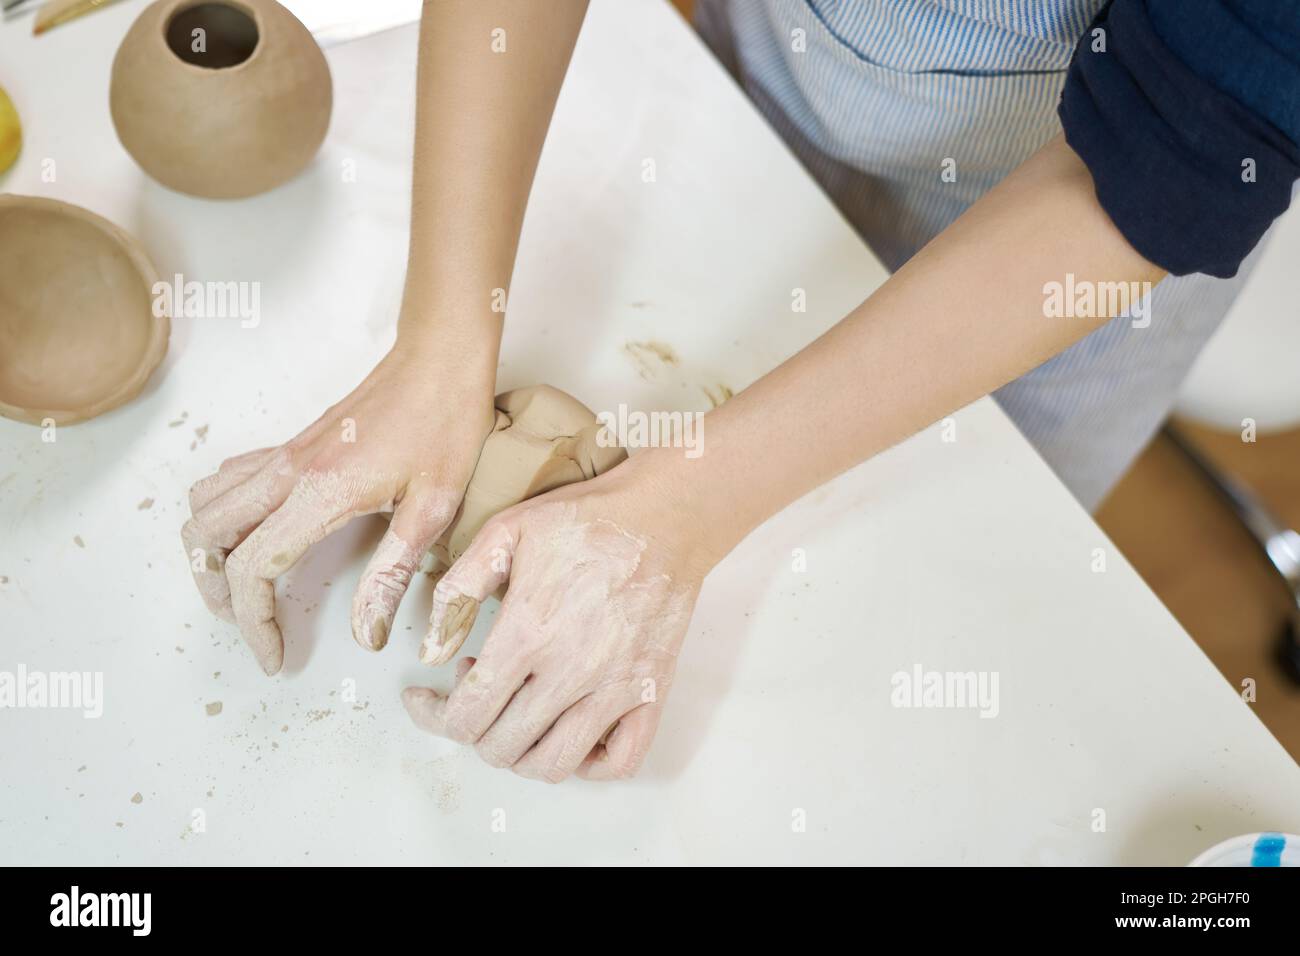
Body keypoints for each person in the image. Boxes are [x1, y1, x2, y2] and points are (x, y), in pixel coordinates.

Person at [182, 0, 1300, 783]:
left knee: (907, 615)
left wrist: (676, 512)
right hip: (773, 78)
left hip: (1064, 243)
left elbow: (1182, 148)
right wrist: (437, 339)